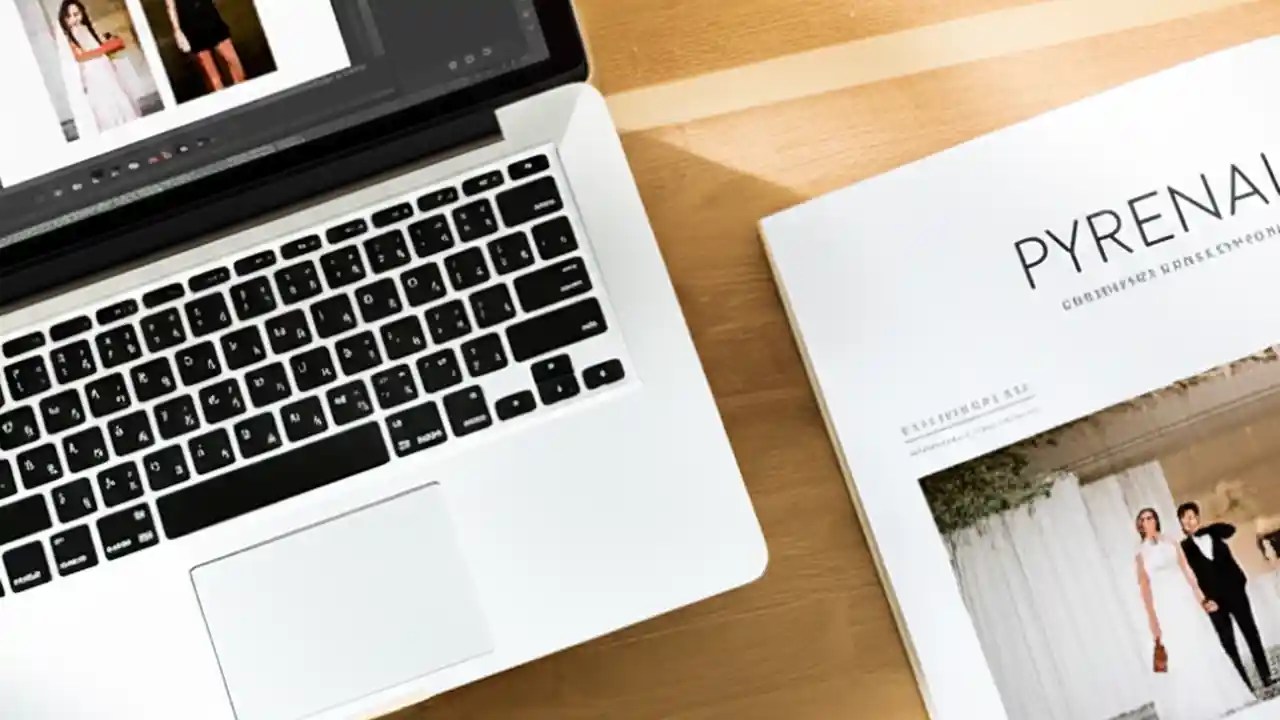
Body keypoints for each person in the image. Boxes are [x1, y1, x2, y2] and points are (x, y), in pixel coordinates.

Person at [1135, 508, 1255, 720]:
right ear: (1140, 525)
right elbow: (1144, 588)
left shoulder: (1171, 543)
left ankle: (1221, 694)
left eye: (1151, 517)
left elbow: (1188, 572)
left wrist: (1201, 598)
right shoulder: (1140, 555)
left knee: (1201, 640)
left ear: (1156, 520)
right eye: (1143, 519)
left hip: (1183, 597)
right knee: (1179, 650)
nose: (1148, 521)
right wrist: (1152, 618)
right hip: (1165, 604)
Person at [1178, 502, 1275, 690]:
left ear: (1197, 517)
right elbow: (1190, 576)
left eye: (1191, 517)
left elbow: (1230, 529)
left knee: (1251, 633)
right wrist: (1205, 600)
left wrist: (1207, 529)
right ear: (1181, 525)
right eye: (1184, 520)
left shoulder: (1214, 533)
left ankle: (1266, 675)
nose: (1188, 522)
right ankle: (1243, 685)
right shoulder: (1184, 548)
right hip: (1214, 601)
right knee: (1228, 644)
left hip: (1235, 592)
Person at [58, 0, 140, 130]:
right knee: (105, 105)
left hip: (104, 68)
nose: (74, 19)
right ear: (64, 19)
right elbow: (80, 56)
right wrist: (105, 49)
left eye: (76, 14)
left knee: (119, 97)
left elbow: (103, 45)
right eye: (69, 16)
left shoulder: (86, 29)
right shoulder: (69, 38)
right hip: (93, 74)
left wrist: (109, 45)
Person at [164, 0, 245, 92]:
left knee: (232, 59)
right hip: (191, 24)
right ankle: (223, 99)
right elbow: (170, 6)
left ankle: (242, 92)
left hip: (210, 16)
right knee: (212, 72)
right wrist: (178, 32)